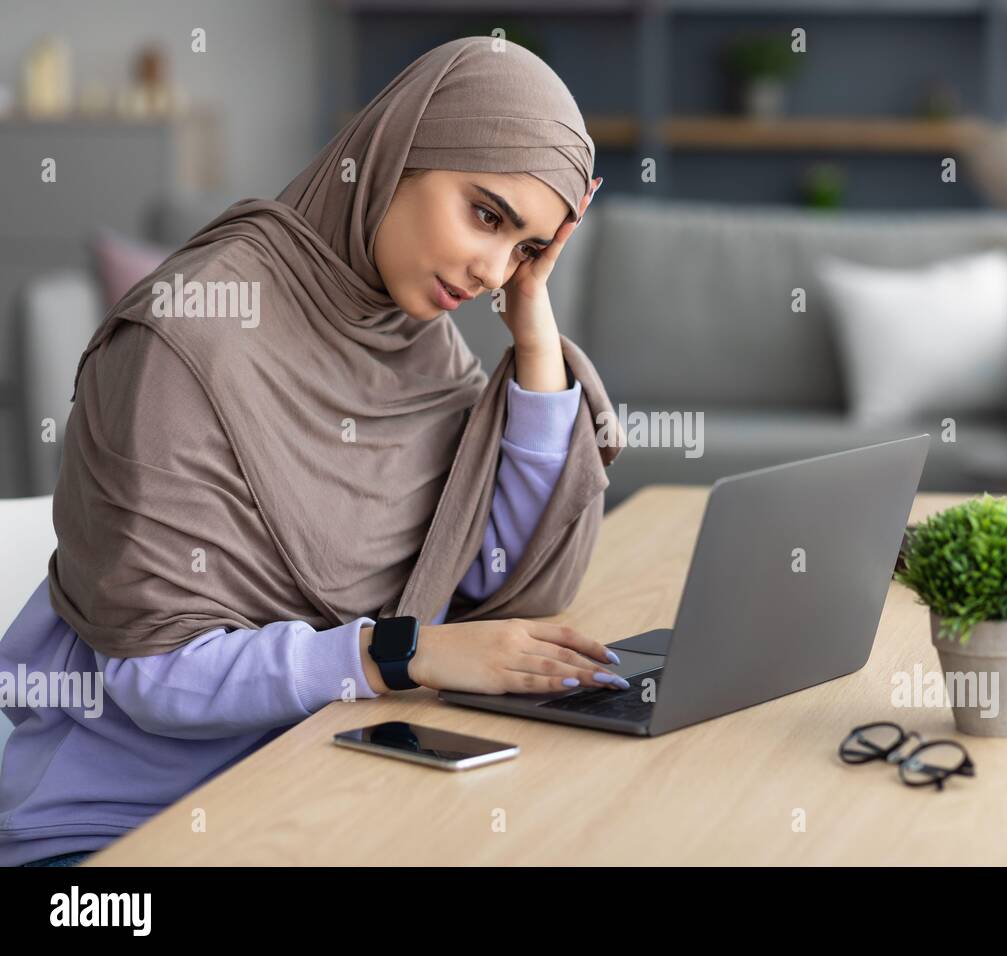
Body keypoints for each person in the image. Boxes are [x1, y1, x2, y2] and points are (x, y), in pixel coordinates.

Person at [1, 36, 626, 867]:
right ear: (399, 151)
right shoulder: (187, 338)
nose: (491, 269)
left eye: (525, 250)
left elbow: (491, 571)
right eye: (485, 215)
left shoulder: (415, 339)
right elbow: (149, 673)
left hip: (318, 784)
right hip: (118, 831)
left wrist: (535, 331)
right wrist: (400, 654)